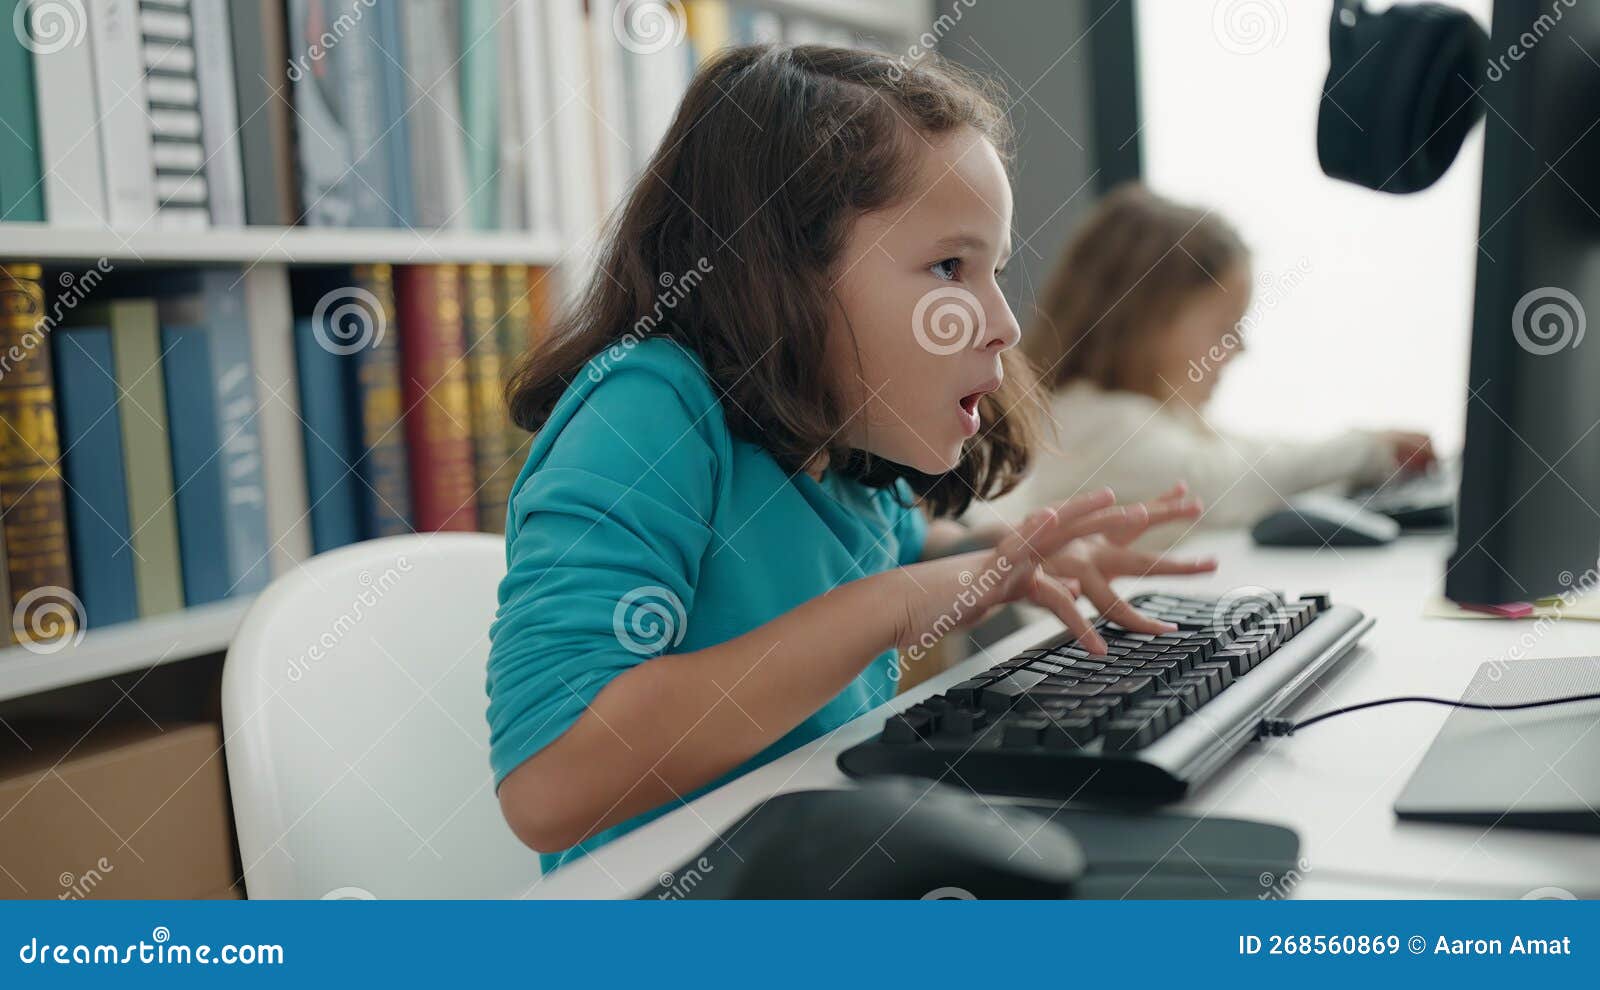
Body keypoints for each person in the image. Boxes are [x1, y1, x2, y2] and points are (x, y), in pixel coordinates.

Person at [488, 47, 1216, 873]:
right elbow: (547, 788)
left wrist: (1006, 563)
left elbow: (902, 555)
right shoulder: (648, 411)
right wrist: (897, 605)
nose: (1005, 324)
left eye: (996, 271)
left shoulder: (843, 449)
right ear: (783, 272)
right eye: (950, 267)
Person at [1011, 183, 1435, 549]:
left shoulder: (1161, 418)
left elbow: (1244, 452)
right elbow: (1220, 481)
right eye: (1225, 327)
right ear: (1148, 320)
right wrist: (1366, 450)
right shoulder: (1088, 422)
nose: (1239, 349)